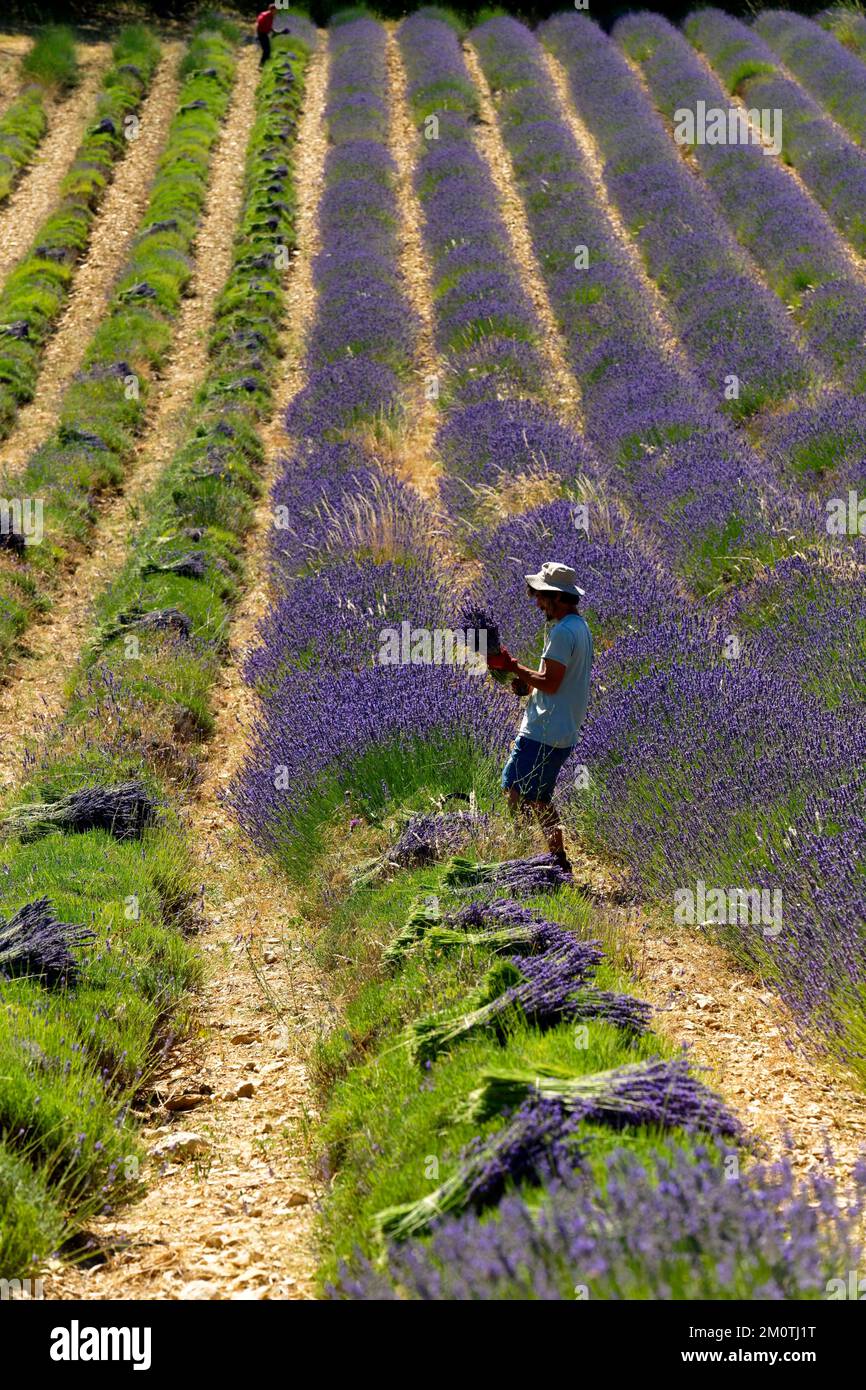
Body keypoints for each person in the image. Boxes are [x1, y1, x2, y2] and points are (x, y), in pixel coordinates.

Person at [487, 562, 593, 874]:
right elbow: (553, 679)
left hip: (543, 729)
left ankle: (518, 855)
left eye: (541, 596)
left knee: (514, 790)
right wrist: (527, 684)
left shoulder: (562, 632)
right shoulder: (579, 628)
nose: (537, 603)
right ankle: (557, 862)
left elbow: (551, 682)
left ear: (558, 596)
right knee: (539, 798)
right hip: (562, 729)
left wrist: (513, 667)